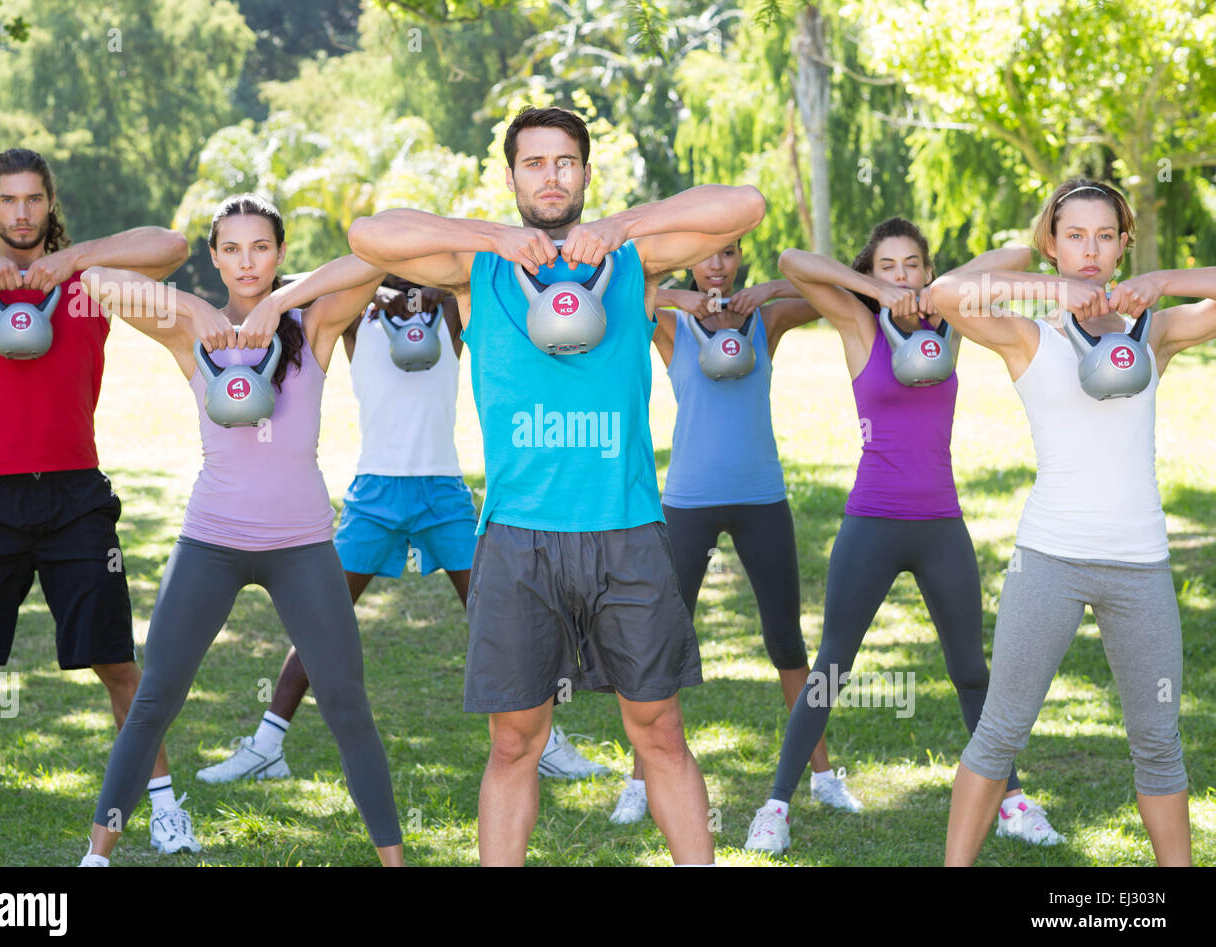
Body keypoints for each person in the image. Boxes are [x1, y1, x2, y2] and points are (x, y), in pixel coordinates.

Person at [347, 105, 766, 865]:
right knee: (514, 742)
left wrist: (625, 223)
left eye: (565, 161)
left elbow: (745, 205)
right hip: (516, 539)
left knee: (660, 731)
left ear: (584, 173)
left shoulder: (635, 264)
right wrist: (490, 234)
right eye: (534, 163)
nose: (551, 176)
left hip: (625, 530)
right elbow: (369, 234)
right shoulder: (476, 272)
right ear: (511, 177)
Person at [77, 194, 403, 866]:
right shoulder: (188, 333)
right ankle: (97, 856)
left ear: (280, 253)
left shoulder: (312, 326)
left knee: (346, 705)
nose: (246, 261)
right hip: (212, 542)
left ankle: (393, 860)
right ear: (215, 257)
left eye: (261, 247)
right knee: (155, 699)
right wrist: (192, 307)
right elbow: (94, 280)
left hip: (304, 546)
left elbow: (377, 256)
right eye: (231, 248)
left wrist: (283, 301)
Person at [194, 276, 606, 784]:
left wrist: (432, 290)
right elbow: (297, 283)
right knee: (320, 620)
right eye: (395, 266)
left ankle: (546, 743)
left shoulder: (451, 315)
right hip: (375, 495)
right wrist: (376, 289)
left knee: (498, 618)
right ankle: (266, 746)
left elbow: (460, 269)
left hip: (443, 492)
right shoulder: (355, 321)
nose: (409, 276)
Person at [744, 219, 1058, 853]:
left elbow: (1018, 252)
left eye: (912, 264)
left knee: (971, 669)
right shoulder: (861, 328)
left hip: (942, 523)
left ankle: (1015, 801)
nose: (904, 276)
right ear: (872, 274)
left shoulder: (952, 324)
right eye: (890, 265)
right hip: (873, 522)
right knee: (831, 665)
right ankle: (775, 806)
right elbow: (792, 257)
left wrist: (941, 287)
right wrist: (875, 292)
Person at [931, 178, 1212, 866]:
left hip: (1141, 563)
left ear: (1122, 245)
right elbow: (942, 295)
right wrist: (1049, 290)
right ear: (1051, 244)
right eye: (1075, 236)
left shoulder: (1157, 332)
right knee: (1000, 732)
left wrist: (1163, 282)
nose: (1090, 251)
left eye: (1106, 236)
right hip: (1048, 560)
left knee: (1158, 741)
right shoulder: (1030, 336)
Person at [0, 148, 191, 851]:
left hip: (74, 497)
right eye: (8, 200)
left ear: (49, 204)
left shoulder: (88, 283)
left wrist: (76, 261)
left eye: (33, 199)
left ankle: (163, 809)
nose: (21, 213)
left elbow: (171, 246)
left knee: (119, 664)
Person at [610, 239, 861, 825]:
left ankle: (823, 775)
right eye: (706, 256)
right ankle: (640, 781)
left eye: (727, 254)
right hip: (688, 504)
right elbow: (618, 299)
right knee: (660, 646)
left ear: (741, 257)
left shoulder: (764, 322)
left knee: (788, 644)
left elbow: (842, 293)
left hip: (762, 499)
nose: (717, 266)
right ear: (691, 261)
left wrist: (772, 288)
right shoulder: (668, 325)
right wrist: (678, 296)